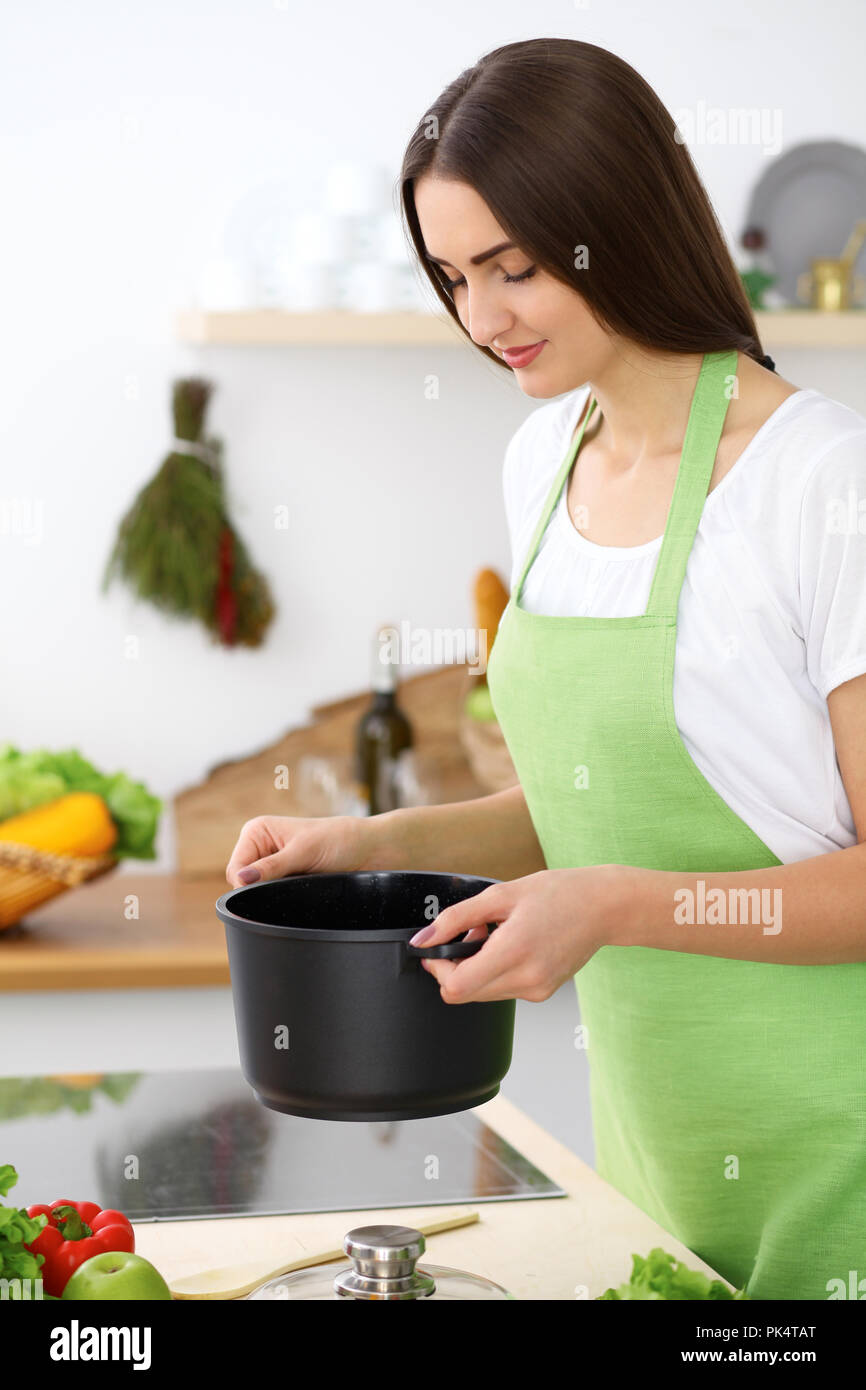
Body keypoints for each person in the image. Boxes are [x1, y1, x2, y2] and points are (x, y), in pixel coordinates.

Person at [226, 38, 866, 1300]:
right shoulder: (540, 464)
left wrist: (614, 907)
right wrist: (369, 847)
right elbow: (596, 803)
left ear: (616, 220)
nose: (481, 318)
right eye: (454, 275)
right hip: (656, 1162)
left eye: (514, 268)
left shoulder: (818, 481)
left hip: (838, 1166)